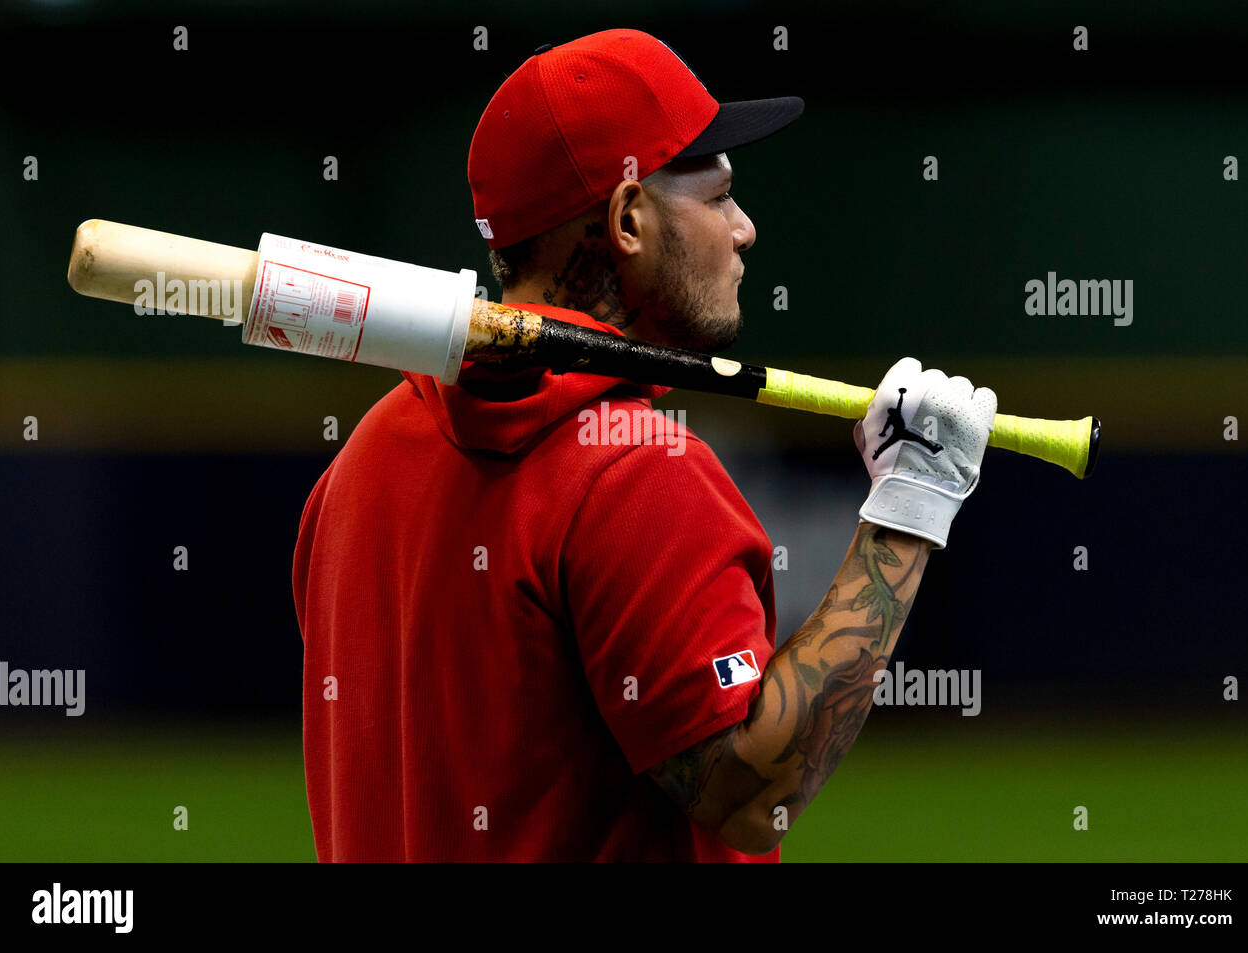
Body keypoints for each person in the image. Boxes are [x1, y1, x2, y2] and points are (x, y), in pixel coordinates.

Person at [292, 28, 997, 862]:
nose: (746, 231)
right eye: (720, 196)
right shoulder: (637, 474)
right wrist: (908, 512)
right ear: (629, 218)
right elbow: (748, 793)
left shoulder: (360, 462)